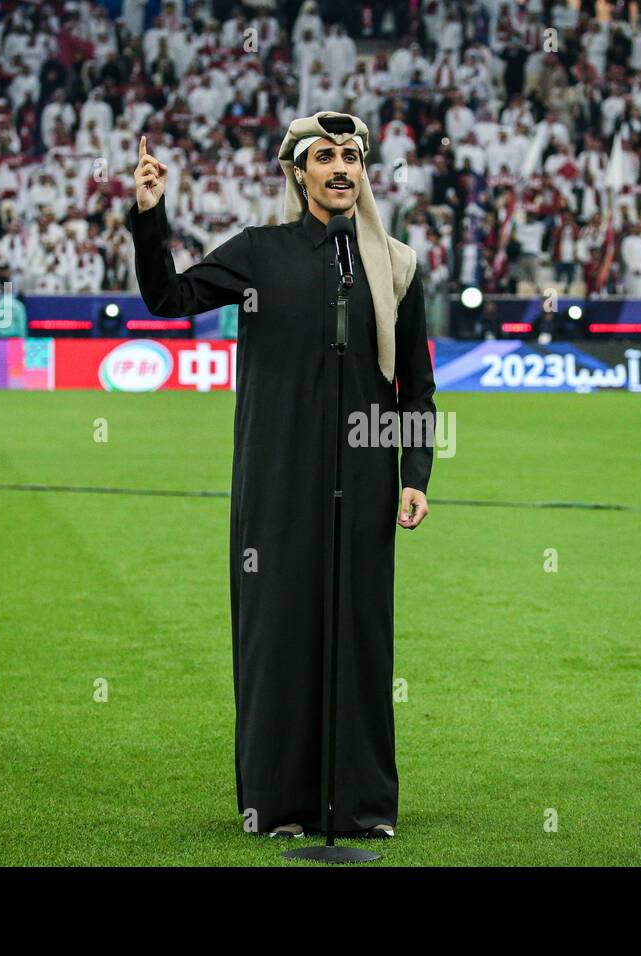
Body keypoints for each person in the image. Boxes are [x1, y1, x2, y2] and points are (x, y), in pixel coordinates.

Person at [127, 112, 436, 840]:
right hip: (276, 482)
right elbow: (168, 298)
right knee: (281, 634)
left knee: (361, 638)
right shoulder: (260, 252)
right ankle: (277, 805)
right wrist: (149, 216)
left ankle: (362, 806)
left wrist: (414, 473)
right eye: (324, 157)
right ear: (298, 173)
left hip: (365, 481)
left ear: (362, 171)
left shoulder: (395, 264)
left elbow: (414, 387)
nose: (339, 168)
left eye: (351, 157)